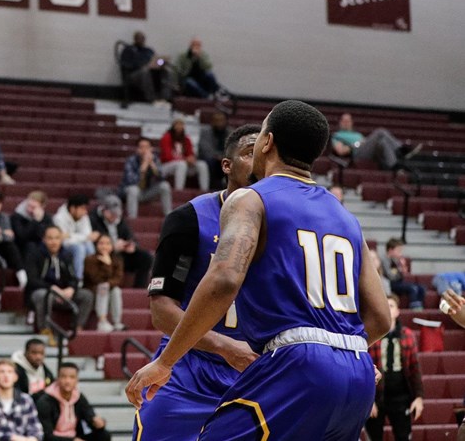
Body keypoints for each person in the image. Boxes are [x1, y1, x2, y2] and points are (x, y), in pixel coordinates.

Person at [126, 100, 393, 441]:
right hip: (356, 370)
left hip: (295, 363)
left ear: (267, 143)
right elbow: (382, 318)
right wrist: (339, 349)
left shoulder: (250, 198)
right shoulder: (345, 217)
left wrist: (164, 362)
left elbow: (224, 280)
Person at [130, 124, 260, 439]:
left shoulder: (286, 225)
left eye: (264, 155)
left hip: (254, 375)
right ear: (227, 166)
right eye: (248, 153)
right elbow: (161, 311)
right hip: (188, 368)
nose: (258, 163)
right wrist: (226, 347)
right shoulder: (189, 219)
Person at [365, 295, 423, 441]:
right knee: (374, 436)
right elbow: (366, 368)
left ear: (397, 311)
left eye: (391, 306)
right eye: (385, 305)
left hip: (400, 396)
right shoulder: (372, 335)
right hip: (377, 396)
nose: (388, 309)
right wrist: (368, 400)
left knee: (403, 436)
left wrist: (418, 397)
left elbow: (414, 368)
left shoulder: (407, 335)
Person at [25, 227, 94, 333]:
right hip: (43, 292)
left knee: (87, 295)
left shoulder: (66, 255)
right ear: (44, 240)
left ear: (61, 240)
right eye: (50, 238)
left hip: (63, 293)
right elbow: (32, 280)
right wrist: (51, 288)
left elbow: (73, 278)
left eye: (57, 238)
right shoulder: (34, 254)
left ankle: (77, 328)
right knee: (43, 295)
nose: (54, 242)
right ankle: (44, 330)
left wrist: (71, 288)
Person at [88, 194, 153, 289]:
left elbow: (131, 236)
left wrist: (132, 245)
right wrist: (112, 247)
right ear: (104, 210)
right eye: (112, 214)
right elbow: (93, 243)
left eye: (117, 214)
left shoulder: (119, 220)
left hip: (121, 254)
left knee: (146, 257)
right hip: (104, 255)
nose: (115, 217)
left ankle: (139, 288)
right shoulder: (92, 220)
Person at [34, 362, 108, 441]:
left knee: (104, 435)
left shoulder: (79, 397)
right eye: (64, 377)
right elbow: (46, 436)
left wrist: (98, 423)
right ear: (58, 378)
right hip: (55, 439)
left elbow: (90, 417)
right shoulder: (45, 401)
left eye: (72, 377)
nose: (67, 381)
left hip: (75, 437)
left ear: (77, 380)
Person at [0, 359, 42, 441]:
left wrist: (33, 438)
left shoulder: (26, 400)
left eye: (10, 372)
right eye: (1, 372)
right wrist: (13, 438)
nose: (6, 375)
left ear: (16, 377)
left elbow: (36, 428)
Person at [331, 113, 418, 170]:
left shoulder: (357, 134)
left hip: (367, 150)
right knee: (380, 132)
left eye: (348, 121)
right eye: (344, 121)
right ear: (340, 122)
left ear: (351, 122)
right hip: (357, 153)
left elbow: (365, 142)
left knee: (382, 142)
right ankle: (400, 149)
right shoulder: (337, 135)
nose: (346, 123)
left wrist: (363, 143)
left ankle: (394, 165)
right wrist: (356, 144)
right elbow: (340, 151)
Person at [118, 138, 172, 219]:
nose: (144, 150)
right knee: (133, 190)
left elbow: (162, 178)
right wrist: (143, 169)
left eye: (147, 147)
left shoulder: (155, 159)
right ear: (137, 149)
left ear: (151, 149)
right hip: (133, 193)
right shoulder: (131, 160)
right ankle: (132, 219)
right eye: (141, 147)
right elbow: (130, 181)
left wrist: (152, 165)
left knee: (165, 186)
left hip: (148, 192)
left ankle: (169, 217)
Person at [83, 234, 125, 332]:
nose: (104, 246)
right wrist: (107, 265)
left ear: (112, 246)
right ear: (96, 245)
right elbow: (95, 279)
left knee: (116, 290)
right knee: (103, 286)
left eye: (107, 243)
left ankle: (117, 322)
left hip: (108, 289)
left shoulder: (116, 260)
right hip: (92, 290)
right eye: (101, 243)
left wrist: (109, 283)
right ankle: (102, 321)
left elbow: (118, 279)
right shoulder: (90, 259)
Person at [117, 31, 172, 104]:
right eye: (139, 38)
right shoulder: (128, 50)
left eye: (142, 38)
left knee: (166, 71)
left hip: (152, 72)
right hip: (134, 74)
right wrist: (140, 65)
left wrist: (162, 62)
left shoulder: (149, 51)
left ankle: (165, 98)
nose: (141, 40)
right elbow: (124, 63)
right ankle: (152, 98)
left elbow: (155, 61)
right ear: (135, 39)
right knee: (145, 71)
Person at [52, 195, 96, 281]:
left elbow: (88, 236)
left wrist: (71, 235)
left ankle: (92, 276)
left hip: (78, 243)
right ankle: (78, 279)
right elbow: (64, 240)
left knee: (88, 245)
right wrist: (83, 237)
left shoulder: (84, 217)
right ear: (72, 208)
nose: (85, 212)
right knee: (79, 248)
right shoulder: (59, 218)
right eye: (82, 208)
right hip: (63, 248)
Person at [159, 119, 210, 192]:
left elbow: (190, 154)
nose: (179, 127)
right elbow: (167, 157)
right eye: (177, 125)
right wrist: (185, 159)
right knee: (181, 164)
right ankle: (179, 191)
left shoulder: (186, 139)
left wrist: (192, 159)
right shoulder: (166, 138)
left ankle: (205, 191)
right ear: (173, 126)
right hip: (167, 165)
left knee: (202, 164)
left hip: (184, 165)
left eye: (181, 125)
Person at [382, 238, 426, 310]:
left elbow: (401, 274)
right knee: (412, 288)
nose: (400, 253)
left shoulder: (396, 260)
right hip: (390, 283)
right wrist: (400, 269)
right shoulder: (384, 260)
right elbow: (390, 276)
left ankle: (420, 306)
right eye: (398, 250)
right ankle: (414, 308)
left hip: (399, 282)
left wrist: (402, 269)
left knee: (421, 288)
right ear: (390, 250)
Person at [12, 191, 54, 261]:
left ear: (42, 207)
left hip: (41, 248)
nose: (29, 209)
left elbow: (44, 235)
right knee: (31, 246)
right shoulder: (17, 216)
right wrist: (35, 221)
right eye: (28, 205)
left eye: (33, 207)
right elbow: (22, 237)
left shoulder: (46, 218)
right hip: (22, 248)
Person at [198, 111, 231, 189]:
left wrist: (223, 156)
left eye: (221, 120)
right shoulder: (205, 132)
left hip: (224, 157)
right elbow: (205, 148)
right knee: (210, 162)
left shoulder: (231, 132)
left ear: (226, 121)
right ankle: (210, 188)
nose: (219, 123)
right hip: (210, 158)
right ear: (212, 121)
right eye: (216, 120)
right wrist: (217, 156)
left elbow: (232, 148)